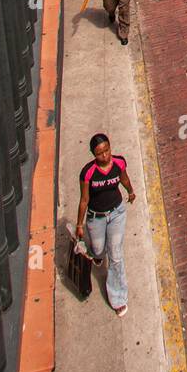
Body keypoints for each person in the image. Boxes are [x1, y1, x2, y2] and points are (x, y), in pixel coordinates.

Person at [76, 133, 135, 317]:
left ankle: (118, 298)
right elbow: (84, 200)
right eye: (100, 153)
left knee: (116, 256)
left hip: (117, 213)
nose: (105, 156)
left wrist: (130, 191)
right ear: (94, 154)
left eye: (107, 150)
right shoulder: (88, 173)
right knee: (98, 248)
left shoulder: (118, 163)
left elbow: (123, 178)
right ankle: (97, 253)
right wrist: (79, 224)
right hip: (96, 217)